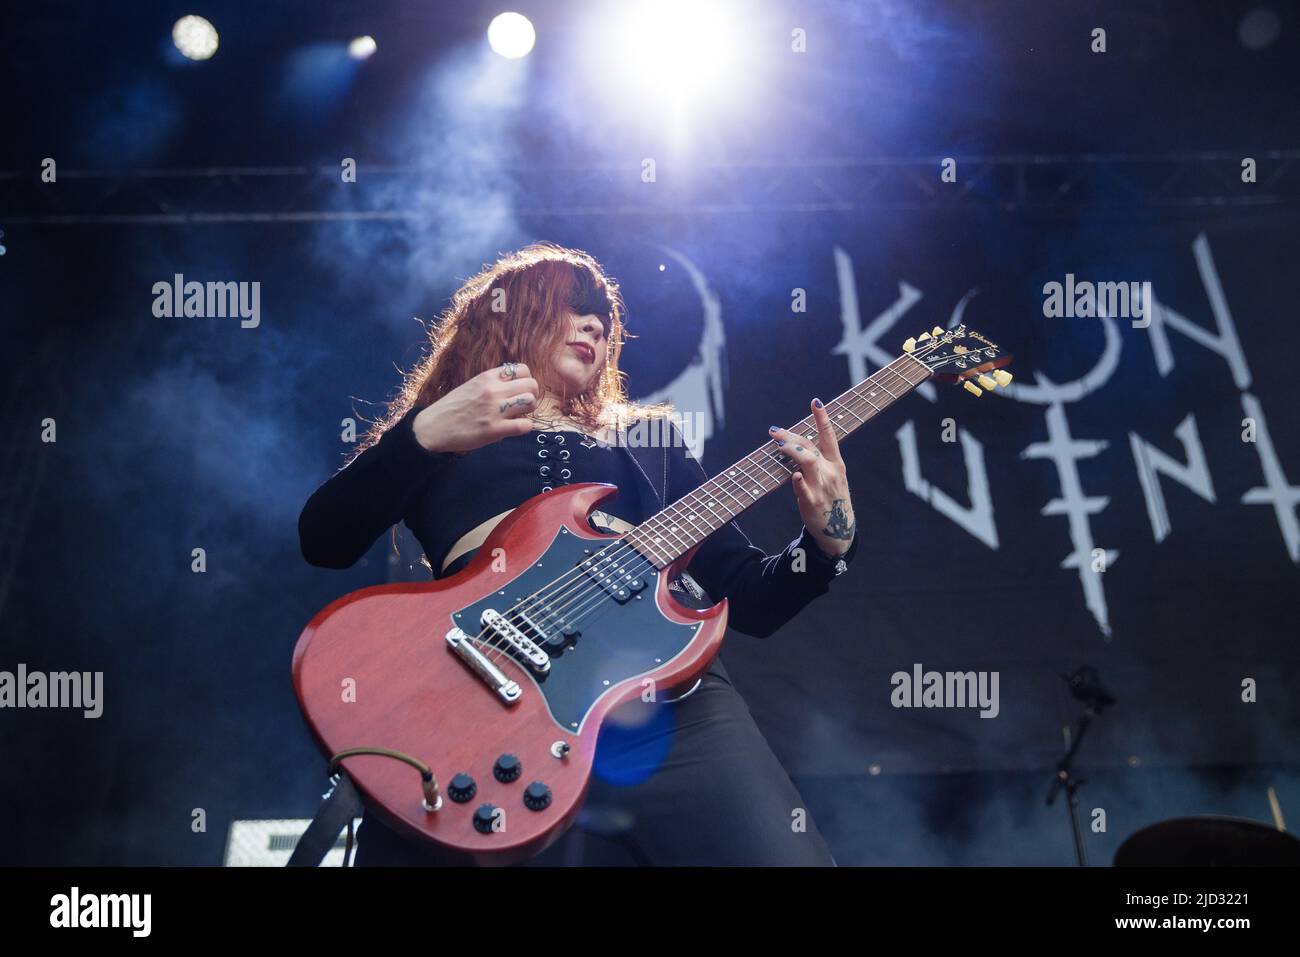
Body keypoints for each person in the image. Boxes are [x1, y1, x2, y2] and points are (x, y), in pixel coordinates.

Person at [297, 242, 859, 865]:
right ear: (507, 315)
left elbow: (752, 598)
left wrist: (827, 539)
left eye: (603, 318)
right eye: (573, 306)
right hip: (482, 695)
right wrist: (422, 433)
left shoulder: (646, 438)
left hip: (665, 706)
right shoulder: (447, 427)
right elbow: (325, 540)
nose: (595, 324)